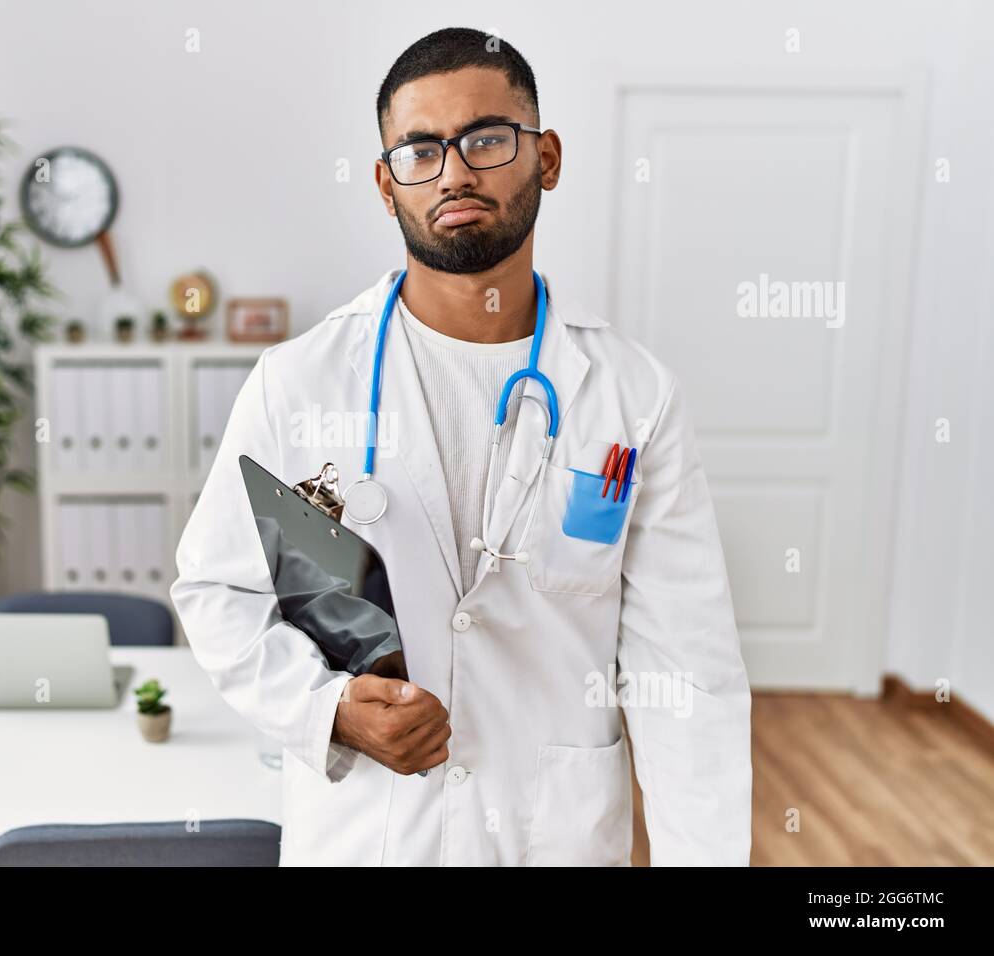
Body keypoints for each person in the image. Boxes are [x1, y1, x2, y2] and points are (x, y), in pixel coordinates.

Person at [171, 27, 751, 866]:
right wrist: (326, 709)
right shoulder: (298, 381)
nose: (453, 172)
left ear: (546, 157)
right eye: (420, 149)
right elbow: (218, 590)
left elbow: (686, 671)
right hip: (370, 831)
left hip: (552, 831)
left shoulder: (632, 395)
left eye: (486, 139)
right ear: (384, 181)